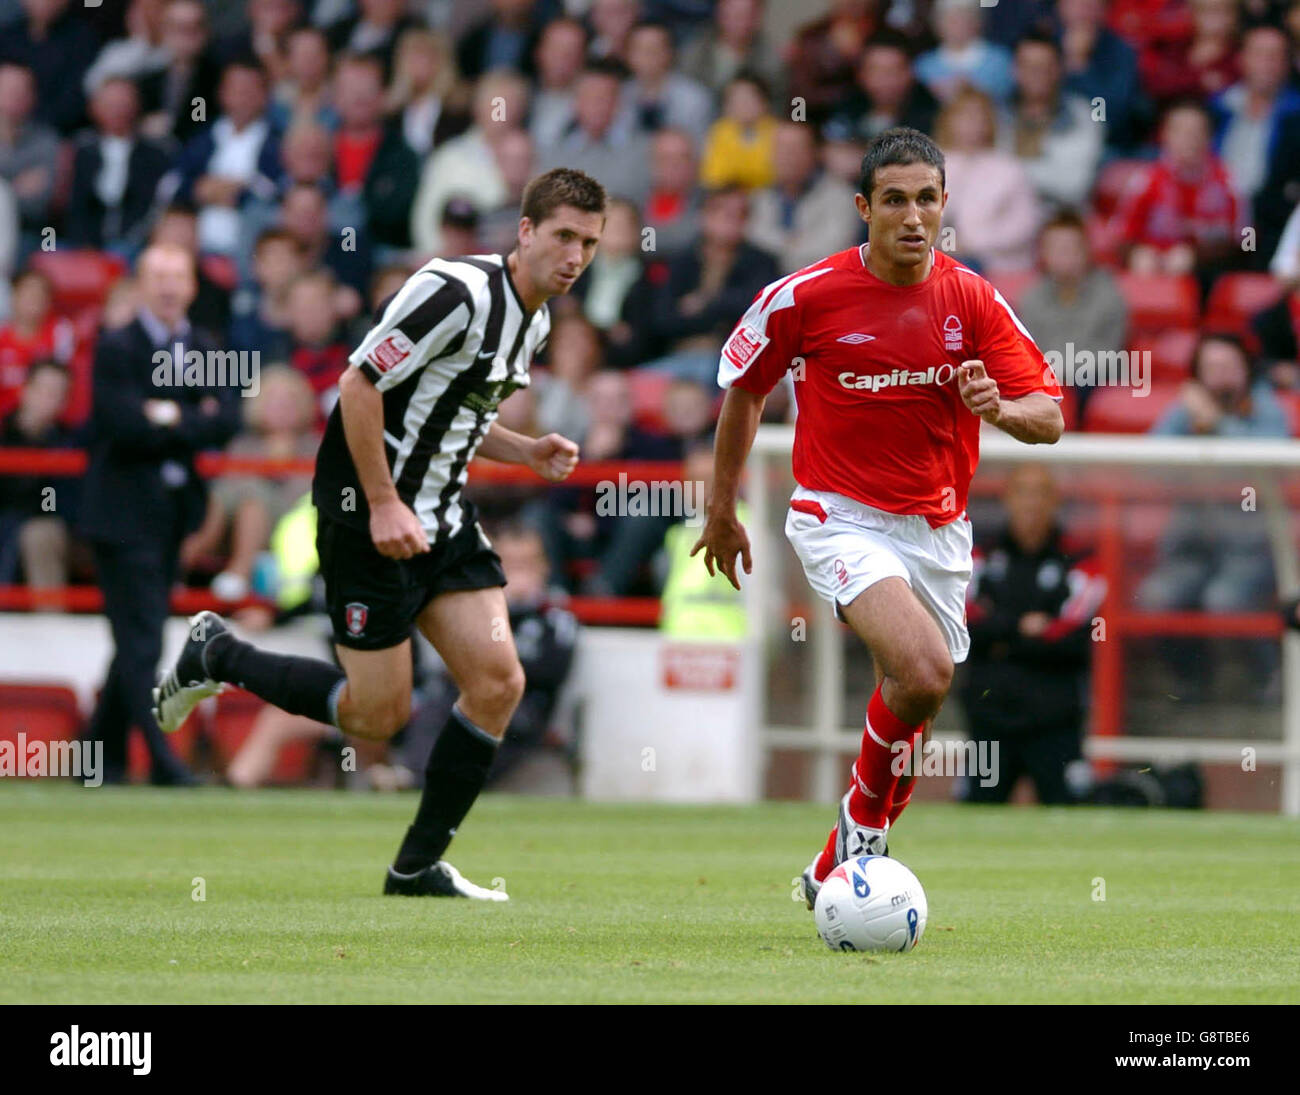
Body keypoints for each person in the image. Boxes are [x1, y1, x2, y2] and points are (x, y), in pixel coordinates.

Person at [153, 168, 606, 900]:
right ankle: (219, 652)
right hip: (368, 517)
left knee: (498, 682)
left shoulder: (539, 318)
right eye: (562, 236)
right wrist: (384, 501)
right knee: (377, 714)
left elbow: (451, 408)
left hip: (444, 516)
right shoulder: (454, 290)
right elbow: (360, 385)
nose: (575, 255)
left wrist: (524, 450)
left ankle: (416, 868)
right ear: (524, 231)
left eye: (589, 241)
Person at [692, 127, 1063, 911]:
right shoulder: (808, 295)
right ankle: (862, 832)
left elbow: (1050, 416)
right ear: (863, 207)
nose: (912, 215)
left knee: (918, 693)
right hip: (838, 514)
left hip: (938, 530)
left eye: (926, 198)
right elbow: (745, 389)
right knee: (923, 670)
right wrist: (721, 509)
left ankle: (831, 861)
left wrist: (999, 408)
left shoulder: (972, 297)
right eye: (894, 199)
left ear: (944, 205)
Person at [80, 243, 242, 785]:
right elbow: (122, 424)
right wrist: (190, 414)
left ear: (193, 287)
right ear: (141, 284)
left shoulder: (204, 344)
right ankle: (162, 762)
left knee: (133, 637)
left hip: (173, 515)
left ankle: (95, 760)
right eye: (159, 276)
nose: (170, 286)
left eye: (179, 276)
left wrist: (165, 414)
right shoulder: (115, 345)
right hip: (121, 516)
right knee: (143, 640)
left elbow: (228, 419)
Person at [960, 463, 1106, 805]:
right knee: (976, 816)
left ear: (1055, 501)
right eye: (1022, 492)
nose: (1031, 503)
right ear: (1007, 499)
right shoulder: (978, 555)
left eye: (1040, 493)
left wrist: (1000, 635)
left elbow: (1072, 635)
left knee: (1069, 817)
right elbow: (963, 624)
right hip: (990, 719)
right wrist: (1024, 628)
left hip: (1055, 722)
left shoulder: (1081, 559)